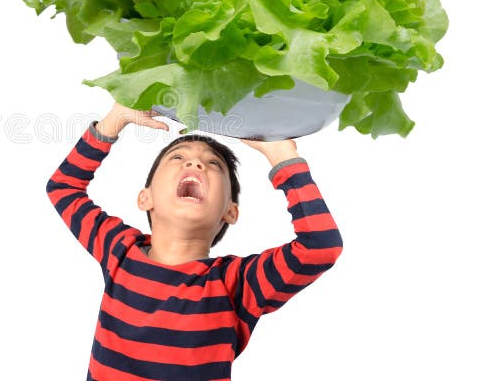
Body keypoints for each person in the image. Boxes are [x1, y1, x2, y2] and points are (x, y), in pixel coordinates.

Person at [45, 102, 343, 380]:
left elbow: (320, 247)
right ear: (144, 197)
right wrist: (115, 119)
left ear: (230, 211)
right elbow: (63, 188)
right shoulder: (120, 250)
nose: (196, 165)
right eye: (178, 157)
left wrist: (283, 158)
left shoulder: (236, 283)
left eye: (213, 165)